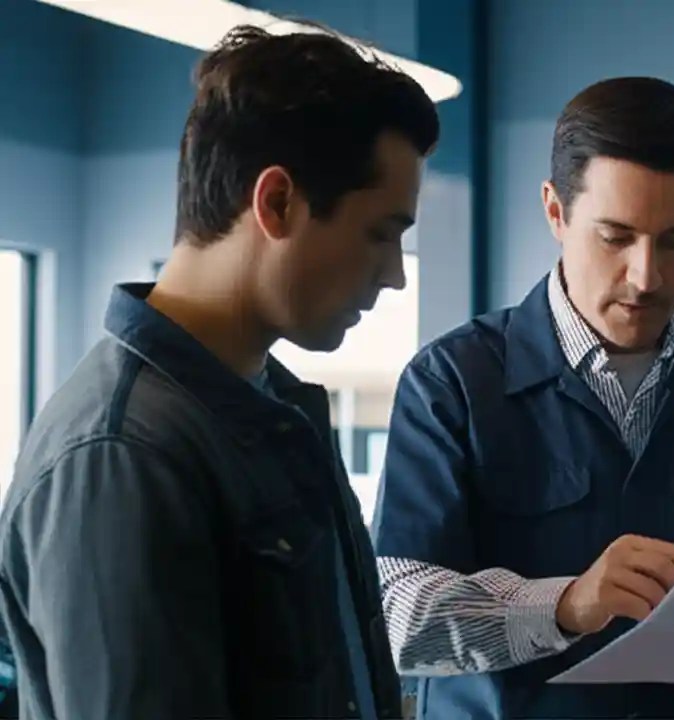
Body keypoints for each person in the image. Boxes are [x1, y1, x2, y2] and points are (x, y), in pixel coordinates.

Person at [373, 77, 674, 720]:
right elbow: (392, 615)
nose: (646, 275)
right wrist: (567, 602)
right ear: (556, 212)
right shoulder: (451, 384)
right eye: (615, 236)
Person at [0, 24, 438, 719]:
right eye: (380, 234)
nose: (392, 277)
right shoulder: (124, 457)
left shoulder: (278, 412)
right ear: (277, 203)